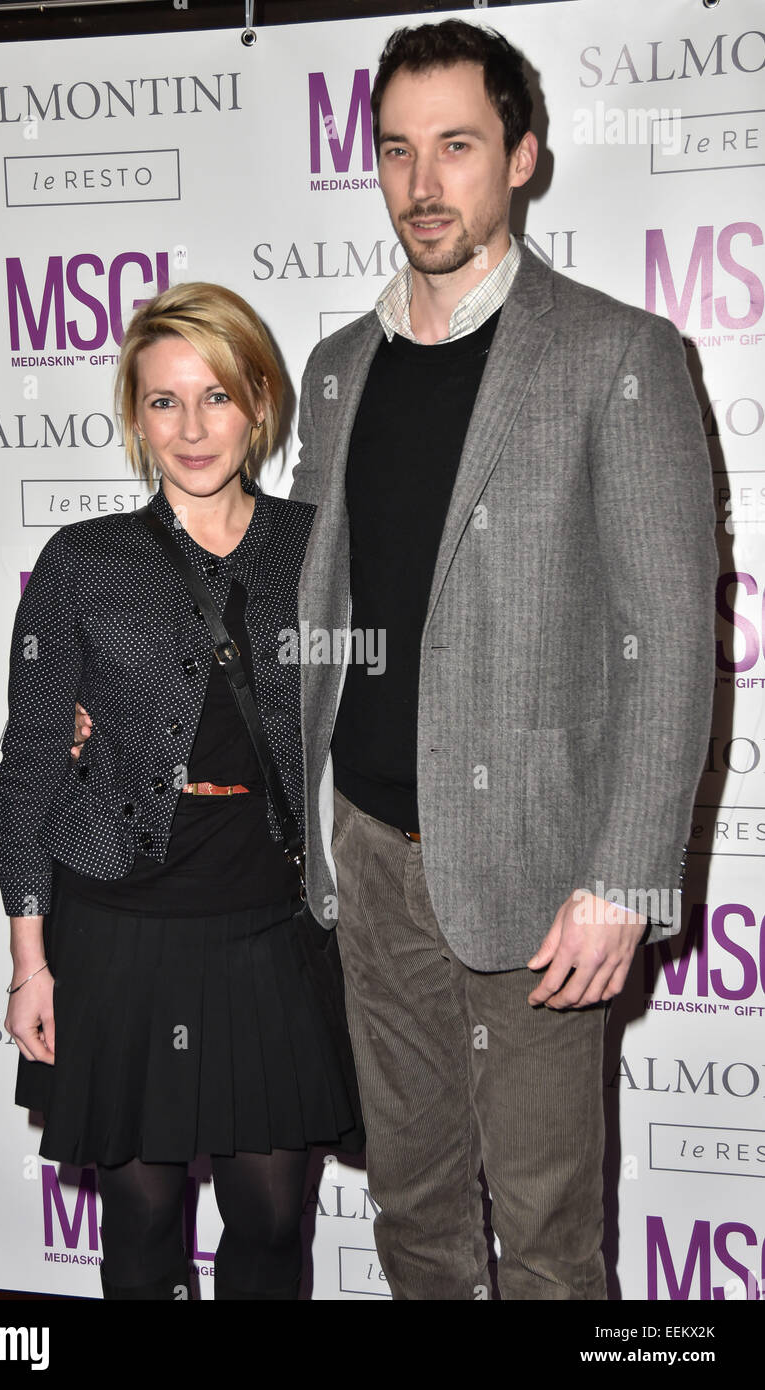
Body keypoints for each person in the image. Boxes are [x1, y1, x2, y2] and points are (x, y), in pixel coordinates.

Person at [289, 20, 717, 1300]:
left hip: (540, 877)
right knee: (413, 1215)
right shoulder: (335, 370)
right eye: (399, 152)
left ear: (521, 157)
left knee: (544, 1240)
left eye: (458, 147)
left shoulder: (615, 355)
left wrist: (625, 876)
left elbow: (668, 640)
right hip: (368, 855)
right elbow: (311, 607)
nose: (423, 184)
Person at [0, 281, 362, 1301]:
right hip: (120, 928)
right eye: (164, 401)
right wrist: (30, 961)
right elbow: (26, 765)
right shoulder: (83, 562)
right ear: (135, 416)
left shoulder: (315, 548)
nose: (192, 428)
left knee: (274, 1217)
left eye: (217, 396)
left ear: (258, 403)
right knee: (144, 1220)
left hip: (267, 923)